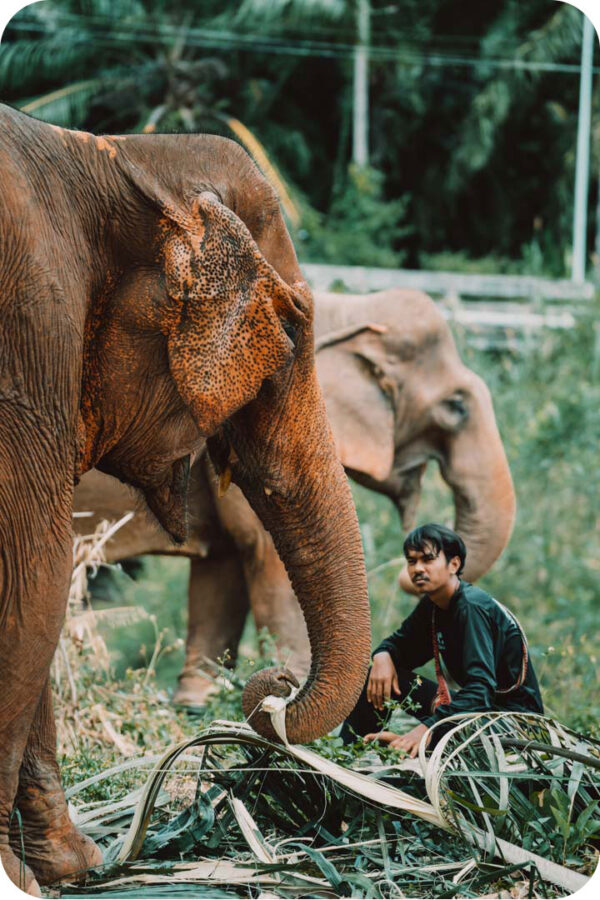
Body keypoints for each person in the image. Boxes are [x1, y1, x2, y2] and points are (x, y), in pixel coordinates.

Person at [341, 523, 543, 756]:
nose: (417, 568)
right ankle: (348, 757)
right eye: (411, 561)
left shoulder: (471, 607)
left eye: (427, 560)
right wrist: (383, 655)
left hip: (511, 725)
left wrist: (426, 728)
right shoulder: (434, 606)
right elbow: (401, 647)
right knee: (374, 679)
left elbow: (480, 694)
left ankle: (414, 746)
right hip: (477, 714)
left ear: (453, 565)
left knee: (445, 713)